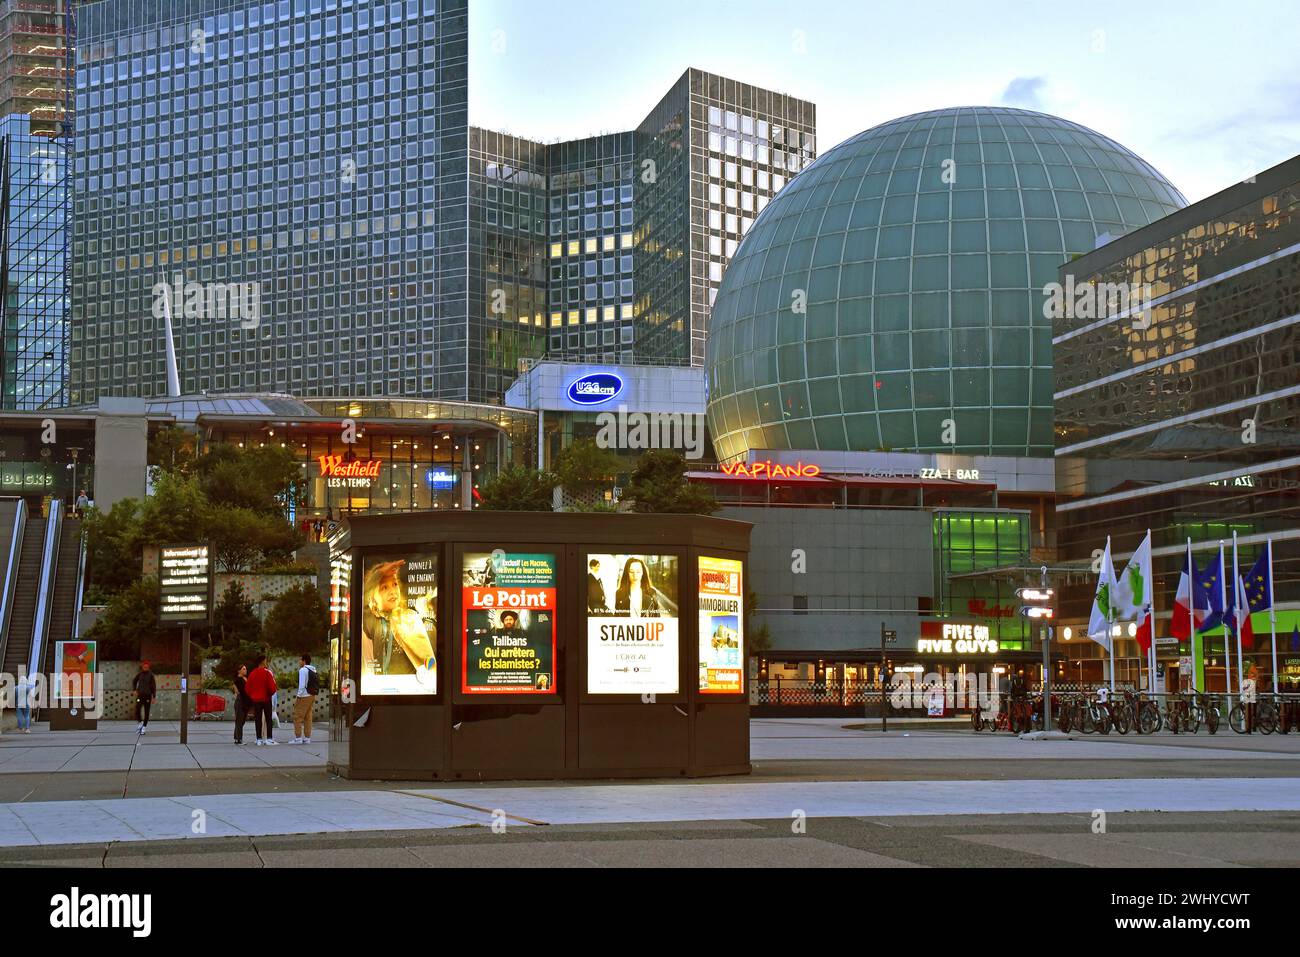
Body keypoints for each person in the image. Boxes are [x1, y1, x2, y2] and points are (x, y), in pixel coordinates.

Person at [245, 655, 278, 746]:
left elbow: (247, 688)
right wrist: (269, 694)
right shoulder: (267, 673)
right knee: (268, 719)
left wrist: (253, 696)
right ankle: (269, 738)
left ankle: (258, 738)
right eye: (266, 660)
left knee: (258, 719)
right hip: (266, 699)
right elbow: (272, 687)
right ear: (263, 661)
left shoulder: (252, 673)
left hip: (256, 700)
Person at [291, 654, 318, 744]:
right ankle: (307, 738)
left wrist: (298, 696)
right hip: (312, 695)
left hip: (304, 696)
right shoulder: (313, 669)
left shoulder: (303, 670)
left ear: (304, 661)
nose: (299, 662)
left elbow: (302, 685)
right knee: (308, 717)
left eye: (300, 660)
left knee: (297, 716)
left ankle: (298, 738)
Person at [131, 661, 157, 735]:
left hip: (148, 696)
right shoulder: (140, 674)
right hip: (140, 695)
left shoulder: (151, 675)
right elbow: (134, 681)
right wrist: (134, 689)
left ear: (148, 667)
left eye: (146, 666)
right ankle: (140, 723)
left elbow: (153, 687)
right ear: (142, 667)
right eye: (144, 666)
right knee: (137, 709)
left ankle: (144, 727)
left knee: (146, 712)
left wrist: (154, 697)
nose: (145, 667)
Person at [232, 664, 251, 745]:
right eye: (243, 669)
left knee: (242, 721)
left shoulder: (245, 679)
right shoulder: (238, 680)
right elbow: (242, 691)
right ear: (239, 670)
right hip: (240, 701)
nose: (245, 670)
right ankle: (238, 739)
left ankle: (238, 737)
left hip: (245, 701)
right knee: (239, 720)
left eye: (245, 669)